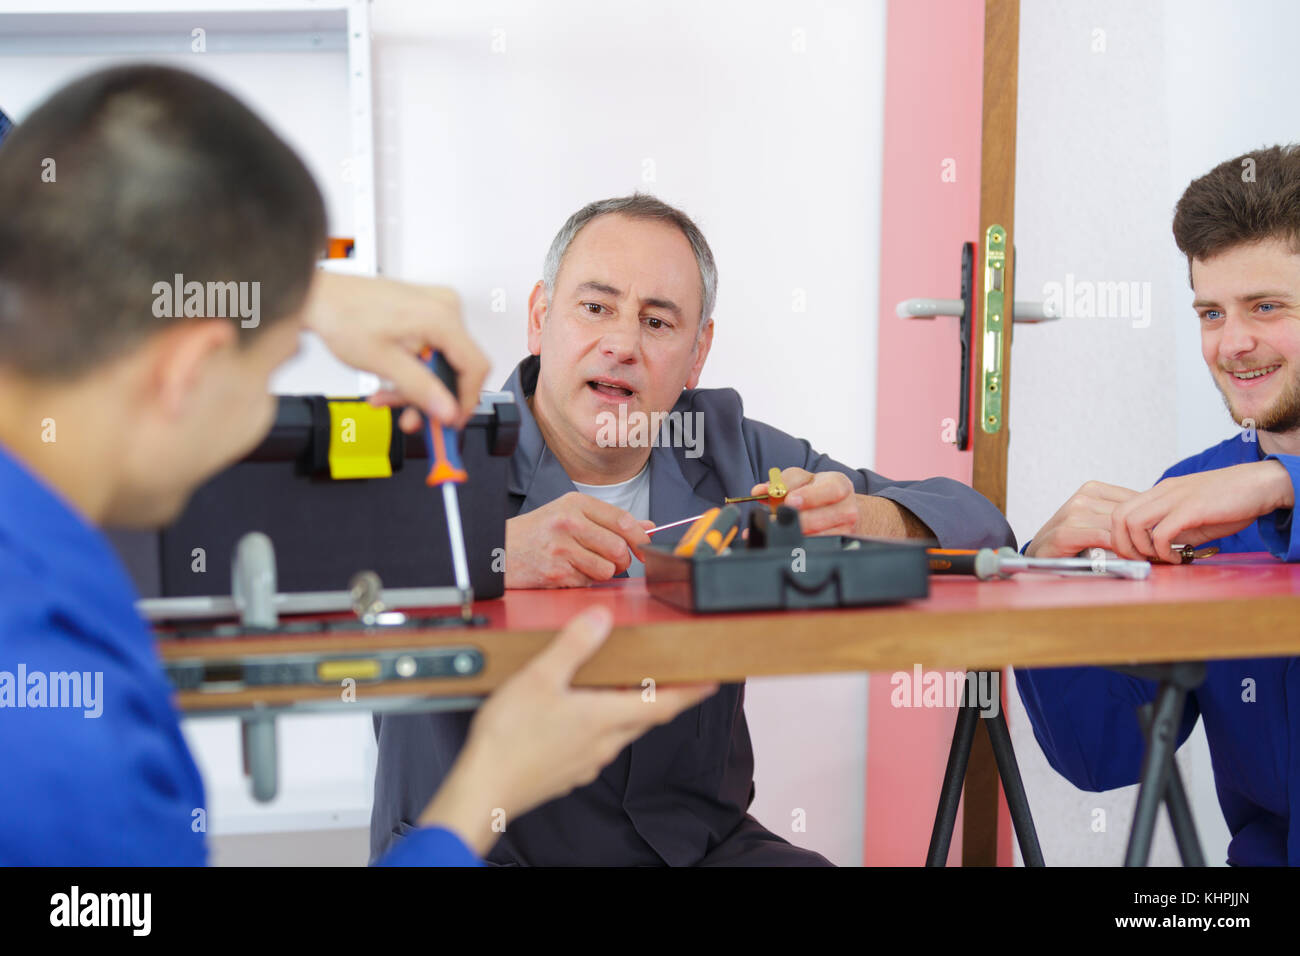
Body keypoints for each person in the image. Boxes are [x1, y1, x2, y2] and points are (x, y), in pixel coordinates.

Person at [0, 65, 715, 866]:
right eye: (272, 371)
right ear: (187, 371)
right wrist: (489, 786)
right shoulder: (75, 752)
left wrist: (295, 295)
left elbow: (39, 227)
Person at [371, 194, 1018, 865]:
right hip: (482, 849)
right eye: (595, 308)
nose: (622, 344)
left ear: (697, 353)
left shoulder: (728, 449)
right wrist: (492, 555)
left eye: (658, 322)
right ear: (540, 318)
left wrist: (857, 518)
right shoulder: (439, 441)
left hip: (699, 852)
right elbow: (302, 571)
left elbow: (985, 528)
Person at [1016, 145, 1300, 866]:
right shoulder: (1194, 499)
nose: (1233, 343)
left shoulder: (1237, 493)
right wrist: (1047, 585)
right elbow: (1107, 754)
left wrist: (1283, 484)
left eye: (1266, 307)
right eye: (1211, 312)